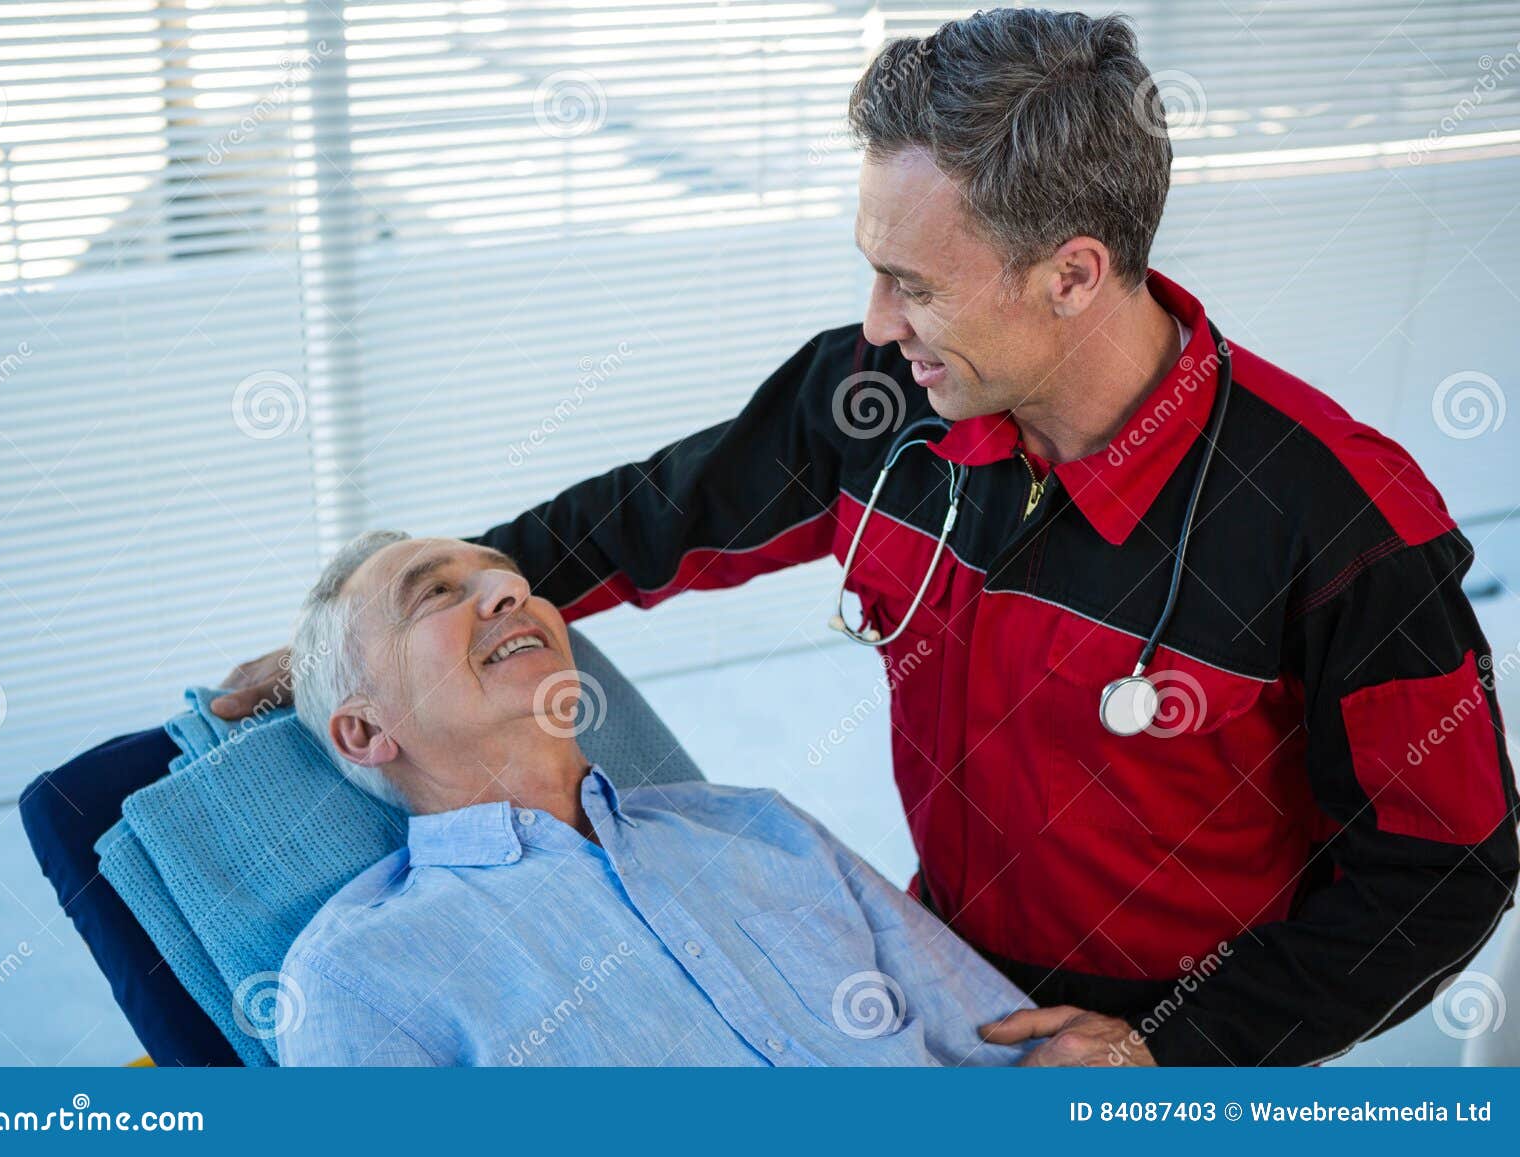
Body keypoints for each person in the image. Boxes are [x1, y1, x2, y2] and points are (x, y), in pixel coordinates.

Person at [222, 9, 1518, 1067]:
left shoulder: (1344, 523)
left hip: (1161, 1031)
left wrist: (1179, 1050)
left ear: (1070, 274)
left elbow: (1448, 871)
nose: (878, 322)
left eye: (915, 282)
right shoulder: (879, 400)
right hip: (932, 963)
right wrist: (373, 640)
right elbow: (653, 518)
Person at [275, 531, 1033, 1067]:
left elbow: (1019, 1048)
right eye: (436, 592)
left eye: (509, 578)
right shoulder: (358, 976)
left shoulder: (759, 824)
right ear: (365, 729)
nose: (513, 591)